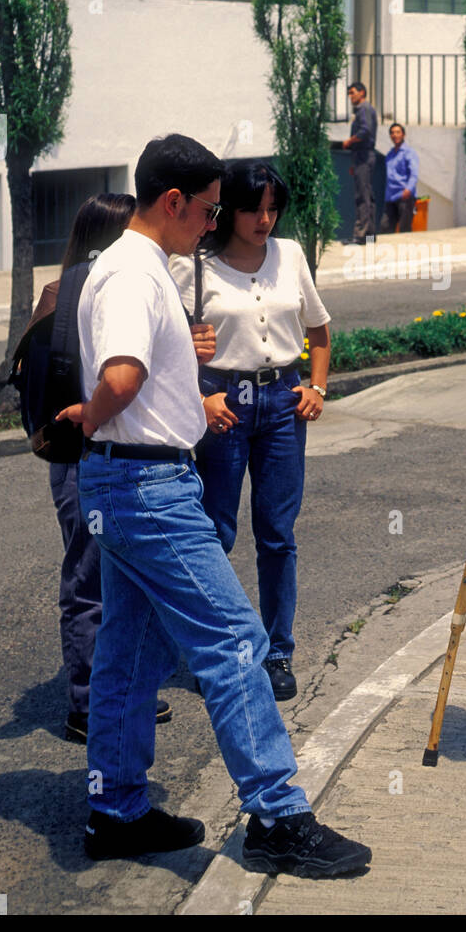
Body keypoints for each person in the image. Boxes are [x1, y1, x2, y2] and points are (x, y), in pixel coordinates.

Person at [56, 134, 370, 876]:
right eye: (207, 211)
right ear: (173, 202)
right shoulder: (134, 273)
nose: (212, 223)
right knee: (234, 642)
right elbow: (125, 375)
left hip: (138, 481)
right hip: (145, 487)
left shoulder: (138, 266)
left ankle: (116, 810)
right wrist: (93, 417)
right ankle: (278, 817)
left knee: (128, 658)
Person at [21, 193, 182, 743]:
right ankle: (87, 704)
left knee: (117, 579)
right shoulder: (71, 294)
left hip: (102, 451)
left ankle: (115, 695)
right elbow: (42, 382)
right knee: (89, 576)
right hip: (81, 453)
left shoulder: (102, 289)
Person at [170, 160, 331, 702]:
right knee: (214, 532)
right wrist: (199, 396)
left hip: (283, 403)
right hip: (224, 405)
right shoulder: (193, 266)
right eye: (252, 209)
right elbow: (168, 347)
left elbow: (320, 329)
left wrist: (318, 386)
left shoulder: (290, 255)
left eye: (272, 209)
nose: (265, 220)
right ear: (227, 211)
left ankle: (278, 651)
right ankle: (211, 649)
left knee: (277, 535)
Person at [342, 81, 378, 243]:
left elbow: (365, 130)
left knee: (362, 197)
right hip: (361, 156)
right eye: (349, 93)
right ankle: (369, 236)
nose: (350, 96)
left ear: (362, 93)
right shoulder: (364, 109)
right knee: (367, 196)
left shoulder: (364, 108)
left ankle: (361, 235)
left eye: (353, 92)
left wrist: (350, 141)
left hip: (363, 155)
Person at [380, 123, 419, 234]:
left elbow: (414, 174)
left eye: (398, 132)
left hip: (404, 196)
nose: (395, 135)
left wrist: (408, 189)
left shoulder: (409, 153)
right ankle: (370, 244)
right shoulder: (389, 154)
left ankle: (407, 251)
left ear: (403, 135)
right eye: (392, 133)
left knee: (404, 229)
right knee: (384, 227)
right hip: (391, 198)